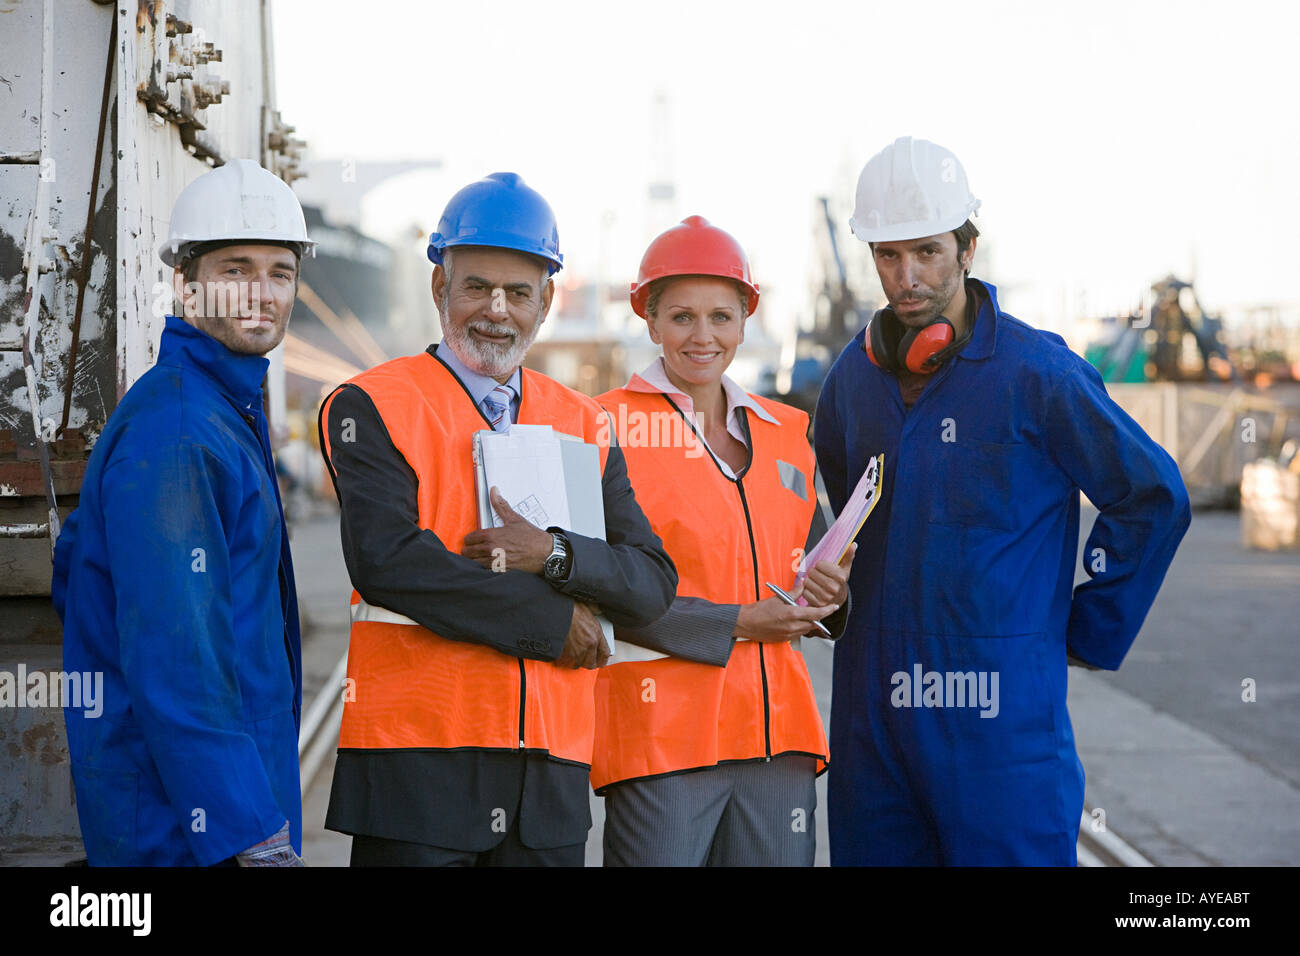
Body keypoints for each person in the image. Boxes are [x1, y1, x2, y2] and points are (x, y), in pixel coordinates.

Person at [814, 136, 1191, 866]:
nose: (906, 275)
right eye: (887, 255)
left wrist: (1085, 627)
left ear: (967, 249)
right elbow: (839, 514)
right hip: (872, 727)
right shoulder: (852, 383)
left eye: (926, 251)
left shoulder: (1037, 372)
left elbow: (1150, 495)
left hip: (998, 728)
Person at [319, 172, 677, 867]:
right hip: (417, 767)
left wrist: (556, 555)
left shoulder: (586, 422)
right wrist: (550, 623)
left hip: (547, 779)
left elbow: (651, 585)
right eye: (477, 286)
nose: (497, 310)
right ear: (439, 289)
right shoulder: (373, 404)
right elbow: (390, 561)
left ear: (546, 300)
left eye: (519, 293)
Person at [52, 159, 313, 866]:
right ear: (186, 282)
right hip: (189, 833)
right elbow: (178, 660)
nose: (262, 292)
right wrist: (249, 834)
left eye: (281, 271)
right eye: (236, 269)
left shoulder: (221, 409)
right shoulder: (179, 430)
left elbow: (75, 569)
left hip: (209, 809)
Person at [593, 216, 854, 866]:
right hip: (663, 741)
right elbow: (601, 589)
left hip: (780, 740)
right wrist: (739, 622)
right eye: (681, 317)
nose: (702, 336)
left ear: (745, 321)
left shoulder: (787, 432)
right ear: (650, 322)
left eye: (720, 316)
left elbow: (816, 570)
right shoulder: (602, 425)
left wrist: (831, 594)